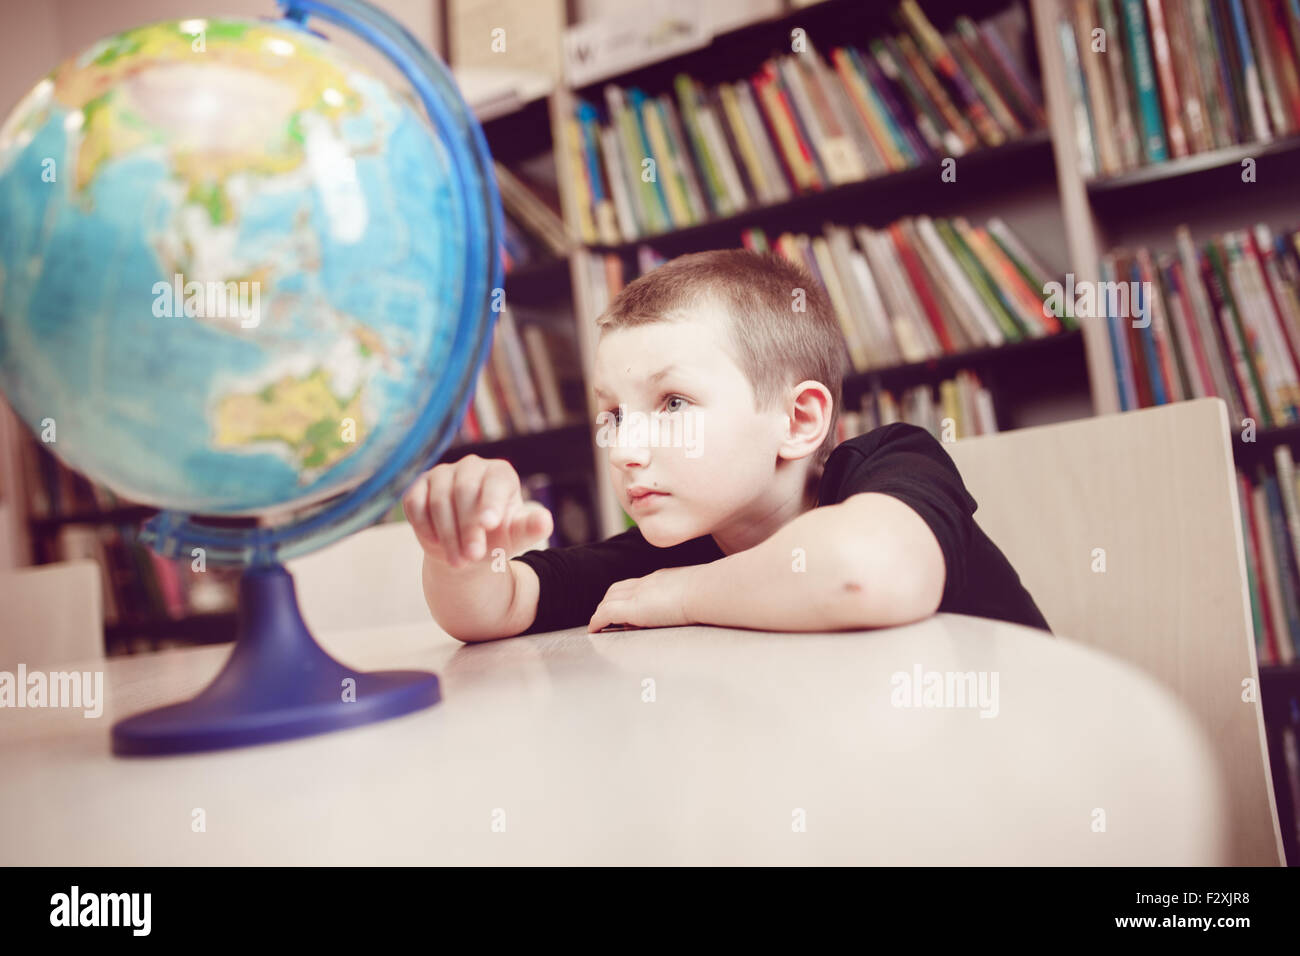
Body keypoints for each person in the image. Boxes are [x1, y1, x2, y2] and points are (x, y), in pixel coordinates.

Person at [403, 249, 1051, 642]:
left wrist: (680, 595)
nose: (626, 449)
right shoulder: (676, 548)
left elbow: (862, 572)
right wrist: (462, 551)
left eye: (674, 404)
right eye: (612, 414)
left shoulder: (890, 464)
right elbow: (501, 607)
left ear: (798, 421)